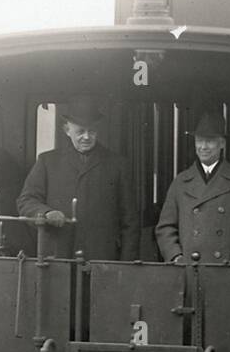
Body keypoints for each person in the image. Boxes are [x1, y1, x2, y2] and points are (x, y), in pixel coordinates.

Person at [18, 98, 139, 261]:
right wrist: (46, 213)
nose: (87, 137)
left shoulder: (118, 165)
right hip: (59, 256)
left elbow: (130, 221)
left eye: (92, 131)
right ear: (67, 129)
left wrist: (126, 265)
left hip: (103, 258)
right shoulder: (47, 161)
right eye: (80, 131)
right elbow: (26, 200)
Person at [155, 111, 230, 264]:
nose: (203, 147)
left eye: (210, 141)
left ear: (222, 144)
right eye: (199, 141)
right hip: (188, 269)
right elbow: (165, 228)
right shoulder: (180, 182)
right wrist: (176, 257)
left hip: (225, 272)